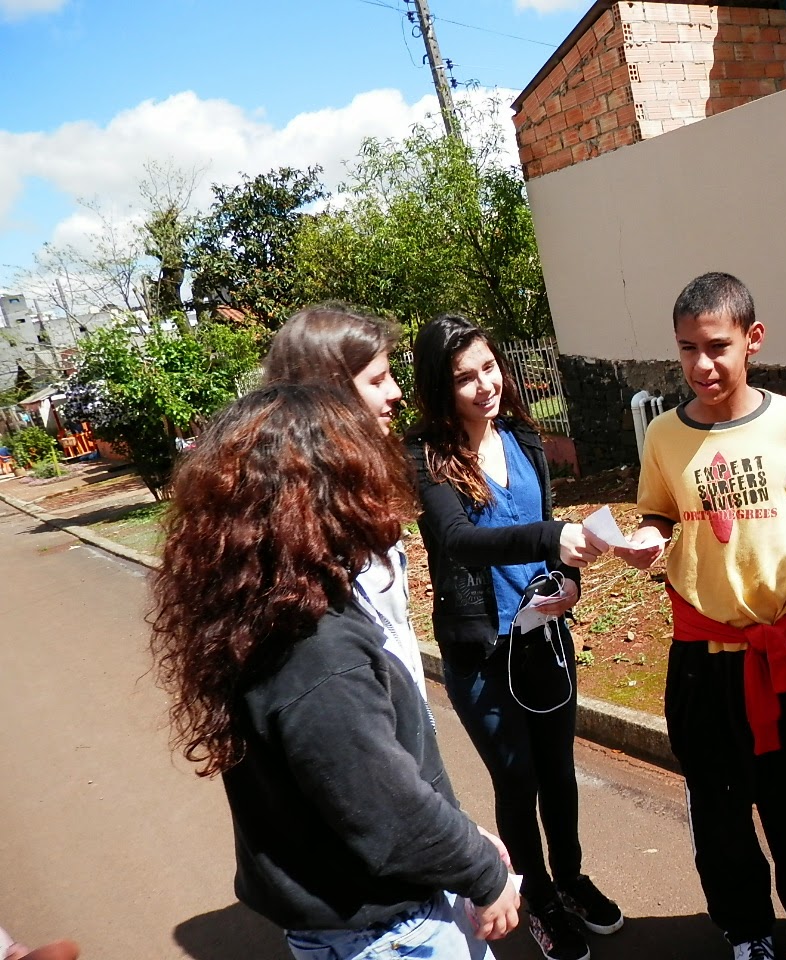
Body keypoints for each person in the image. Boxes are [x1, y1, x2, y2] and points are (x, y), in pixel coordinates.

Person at [150, 384, 521, 960]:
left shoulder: (263, 611)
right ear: (326, 496)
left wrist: (463, 837)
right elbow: (387, 811)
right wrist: (481, 872)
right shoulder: (315, 651)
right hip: (391, 934)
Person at [616, 272, 786, 960]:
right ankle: (747, 931)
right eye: (686, 350)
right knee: (719, 802)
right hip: (703, 656)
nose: (701, 365)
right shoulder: (667, 437)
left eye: (717, 346)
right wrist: (648, 537)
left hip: (784, 650)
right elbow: (658, 510)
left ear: (753, 341)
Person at [406, 314, 619, 960]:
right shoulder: (424, 458)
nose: (484, 385)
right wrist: (553, 538)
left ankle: (572, 877)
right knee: (518, 778)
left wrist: (569, 583)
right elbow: (460, 543)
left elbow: (545, 528)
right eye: (465, 377)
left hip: (543, 639)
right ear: (440, 388)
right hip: (482, 650)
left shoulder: (525, 439)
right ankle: (540, 899)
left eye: (489, 368)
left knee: (559, 773)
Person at [262, 303, 431, 706]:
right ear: (329, 395)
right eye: (377, 380)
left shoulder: (356, 501)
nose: (396, 392)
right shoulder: (302, 535)